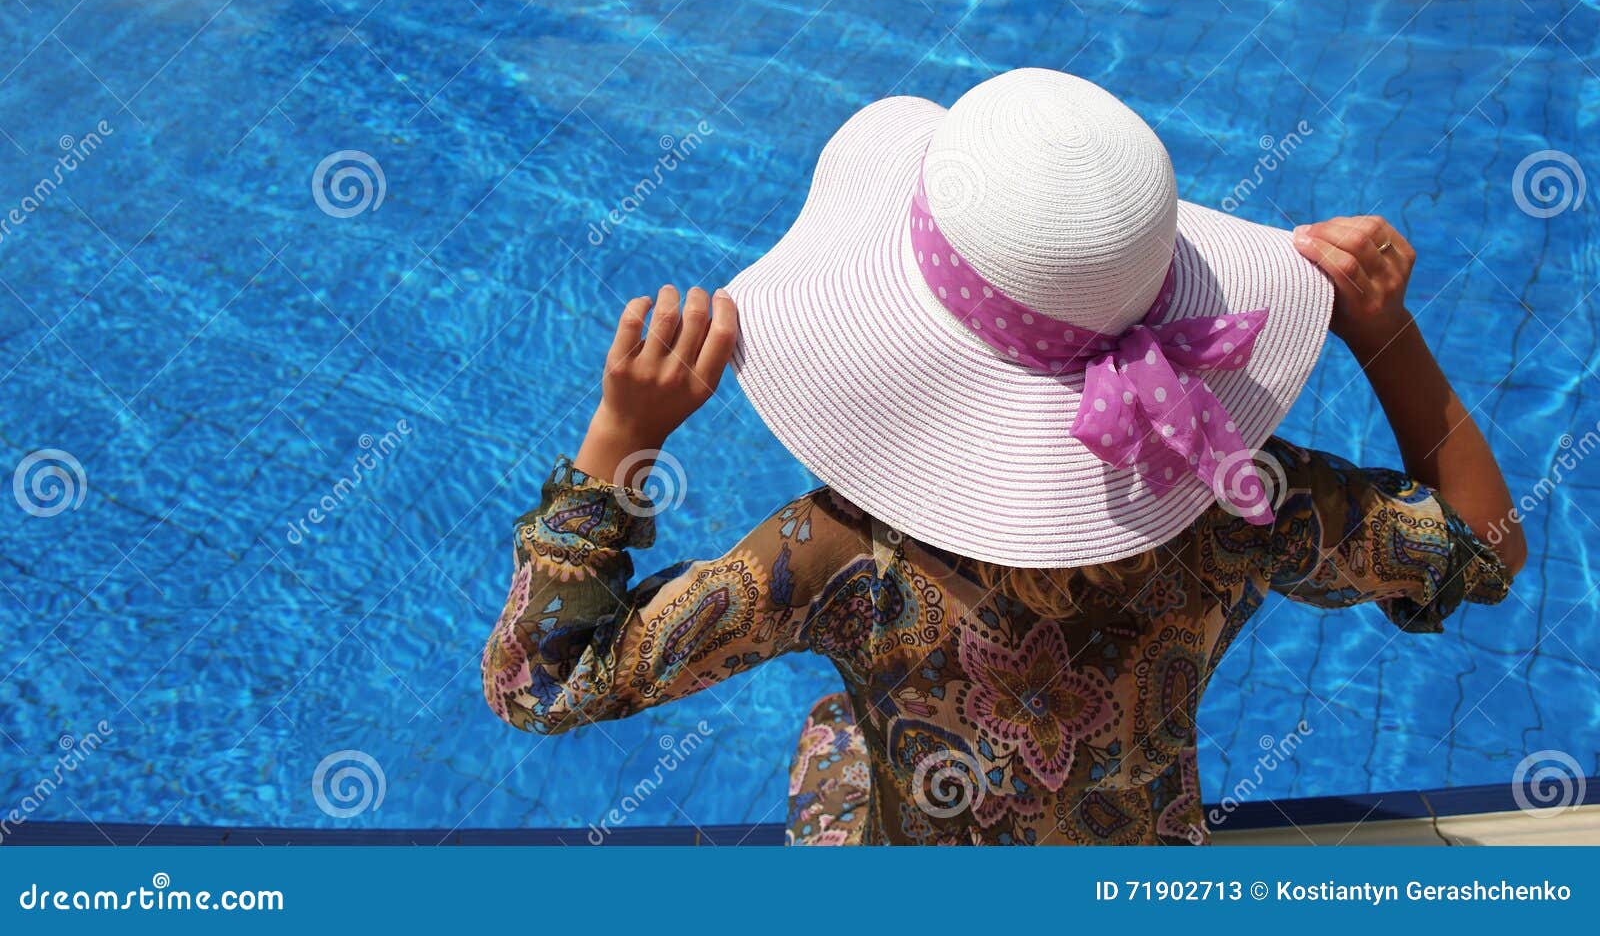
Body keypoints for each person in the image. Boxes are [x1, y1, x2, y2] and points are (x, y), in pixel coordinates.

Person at [481, 69, 1525, 845]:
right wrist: (1389, 338)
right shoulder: (1238, 494)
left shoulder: (837, 553)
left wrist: (624, 439)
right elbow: (1486, 548)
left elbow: (542, 681)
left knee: (835, 735)